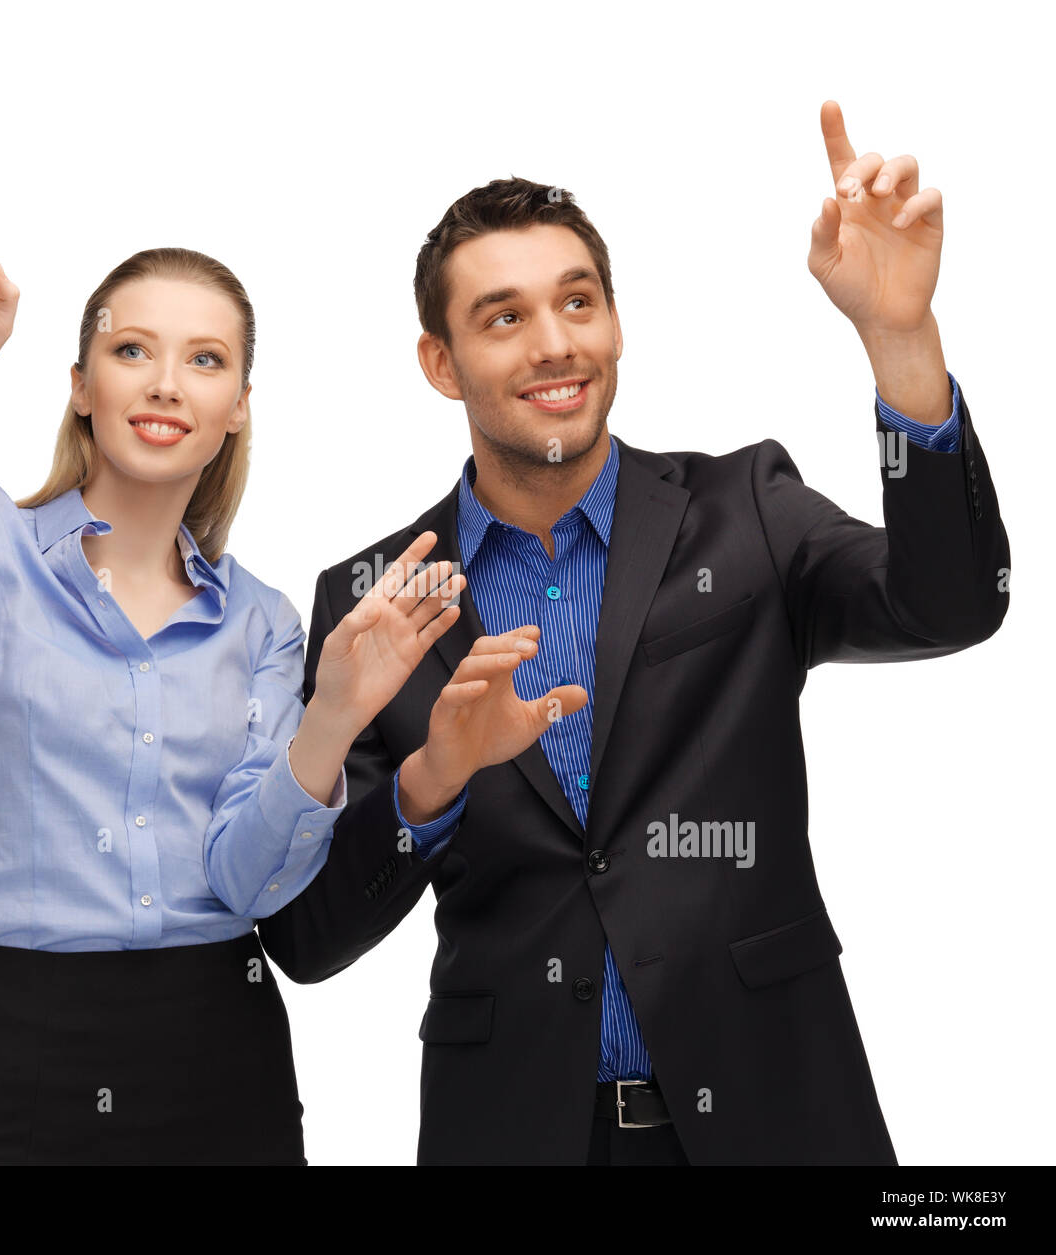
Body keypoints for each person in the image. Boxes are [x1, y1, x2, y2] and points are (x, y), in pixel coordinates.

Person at [256, 101, 1011, 1165]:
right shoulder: (377, 596)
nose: (555, 343)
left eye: (577, 302)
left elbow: (953, 602)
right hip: (512, 1135)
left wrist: (898, 340)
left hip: (774, 1120)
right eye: (503, 316)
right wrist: (433, 778)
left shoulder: (743, 506)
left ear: (615, 321)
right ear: (439, 360)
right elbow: (305, 936)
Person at [0, 162, 465, 1165]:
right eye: (132, 350)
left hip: (222, 1043)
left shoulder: (260, 622)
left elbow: (247, 882)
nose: (166, 382)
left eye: (204, 360)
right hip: (19, 1037)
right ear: (82, 387)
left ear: (238, 407)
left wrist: (331, 719)